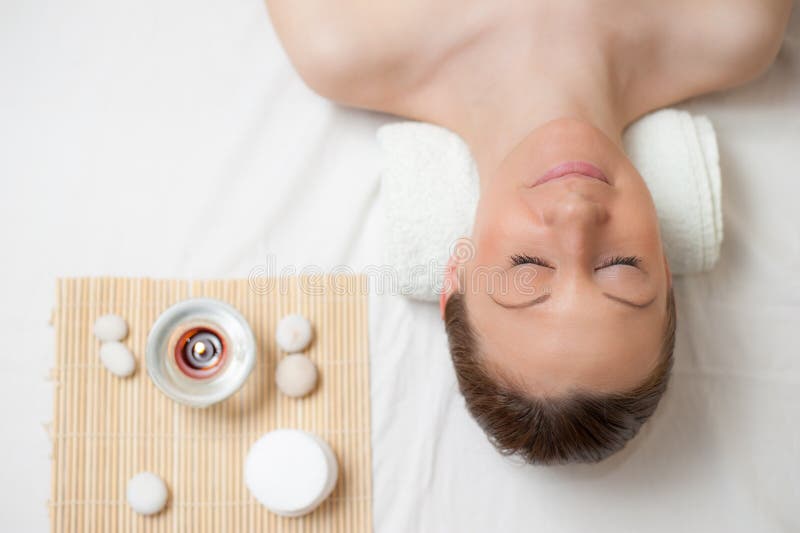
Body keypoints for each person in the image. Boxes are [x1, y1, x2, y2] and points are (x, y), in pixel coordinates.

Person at [265, 0, 794, 464]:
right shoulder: (733, 27)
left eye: (528, 267)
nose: (575, 215)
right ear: (666, 269)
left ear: (458, 271)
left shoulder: (339, 39)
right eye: (620, 268)